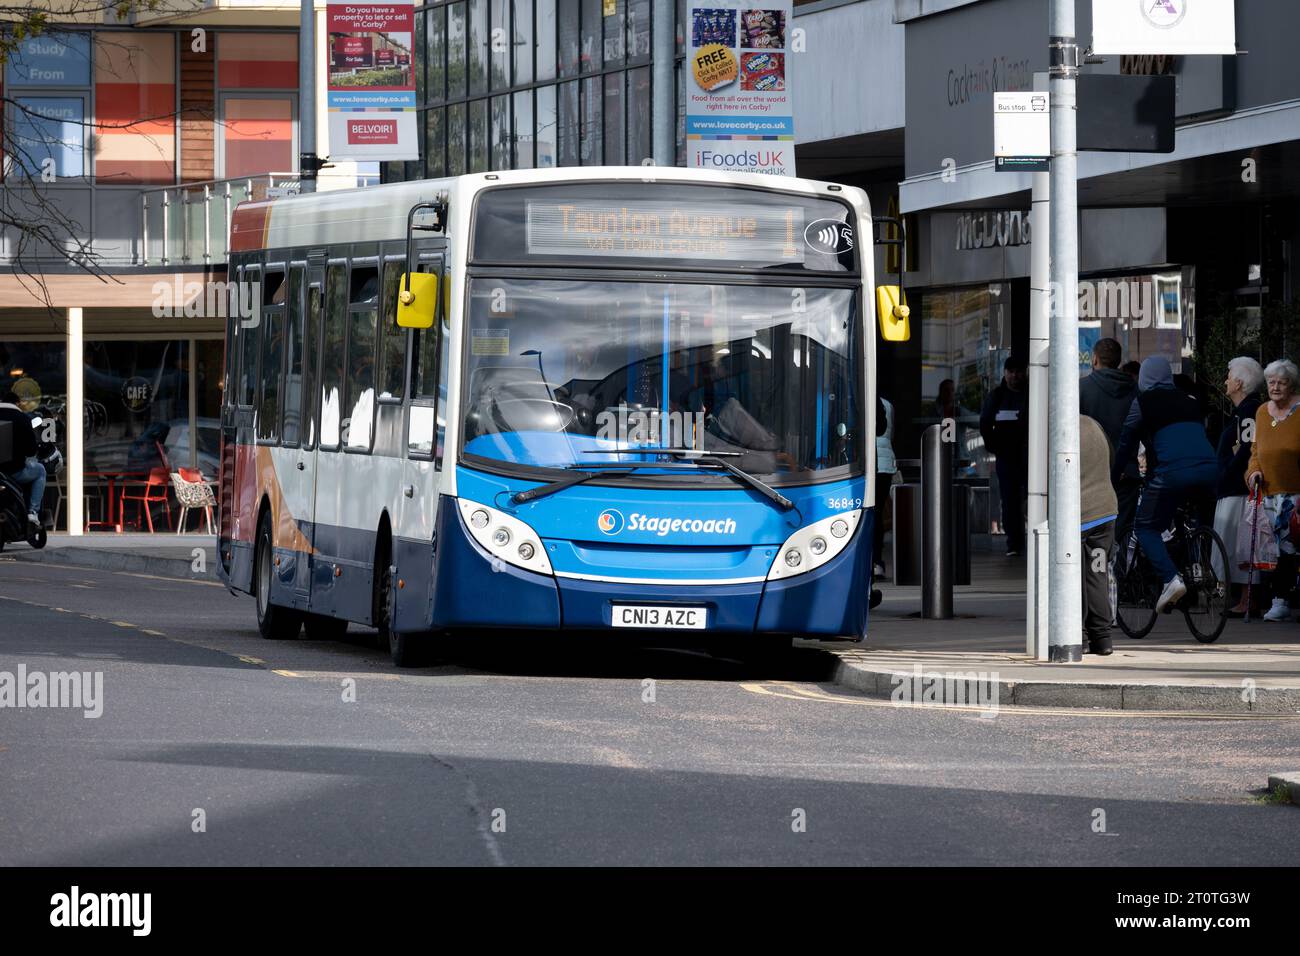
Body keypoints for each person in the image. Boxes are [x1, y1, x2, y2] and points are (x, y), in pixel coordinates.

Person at [1113, 357, 1218, 613]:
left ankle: (1171, 579)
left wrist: (1113, 475)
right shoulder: (1190, 401)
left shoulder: (1144, 402)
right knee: (1189, 521)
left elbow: (1127, 441)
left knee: (1146, 526)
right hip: (1209, 470)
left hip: (1173, 472)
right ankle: (1198, 567)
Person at [1245, 359, 1300, 621]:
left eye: (1282, 382)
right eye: (1271, 382)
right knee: (1278, 550)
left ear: (1292, 385)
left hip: (1296, 492)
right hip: (1269, 492)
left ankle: (1280, 601)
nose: (1276, 387)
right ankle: (1282, 600)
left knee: (1289, 548)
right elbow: (1255, 450)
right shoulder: (1261, 413)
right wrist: (1253, 470)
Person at [1214, 357, 1264, 616]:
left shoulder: (1247, 411)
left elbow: (1245, 450)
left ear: (1241, 382)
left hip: (1237, 488)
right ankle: (1243, 598)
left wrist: (1226, 473)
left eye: (1230, 375)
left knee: (1239, 544)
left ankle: (1247, 599)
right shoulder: (1243, 411)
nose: (1226, 380)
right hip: (1233, 486)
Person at [1079, 337, 1139, 543]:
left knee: (1091, 529)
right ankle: (1118, 570)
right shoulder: (1135, 390)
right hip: (1127, 471)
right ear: (1118, 361)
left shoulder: (1081, 389)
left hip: (1092, 473)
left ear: (1094, 359)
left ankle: (1099, 569)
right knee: (1123, 528)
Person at [979, 356, 1029, 555]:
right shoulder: (997, 397)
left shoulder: (1031, 393)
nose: (1015, 376)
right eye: (1011, 372)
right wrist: (995, 447)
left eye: (1018, 372)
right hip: (1007, 458)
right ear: (1005, 373)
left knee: (1033, 498)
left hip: (1029, 457)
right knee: (1009, 500)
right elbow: (985, 425)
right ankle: (1014, 543)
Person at [1079, 414, 1118, 655]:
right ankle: (1102, 638)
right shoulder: (1094, 424)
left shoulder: (1055, 429)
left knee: (1073, 577)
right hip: (1104, 511)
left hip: (1077, 514)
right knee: (1097, 574)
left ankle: (1078, 636)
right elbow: (1111, 458)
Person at [0, 391, 44, 527]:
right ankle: (32, 512)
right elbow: (31, 450)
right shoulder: (23, 418)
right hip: (14, 472)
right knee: (40, 470)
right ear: (17, 403)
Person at [871, 395, 897, 609]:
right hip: (886, 463)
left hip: (869, 463)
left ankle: (871, 560)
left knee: (869, 514)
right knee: (877, 513)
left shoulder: (854, 395)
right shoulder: (887, 404)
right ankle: (877, 562)